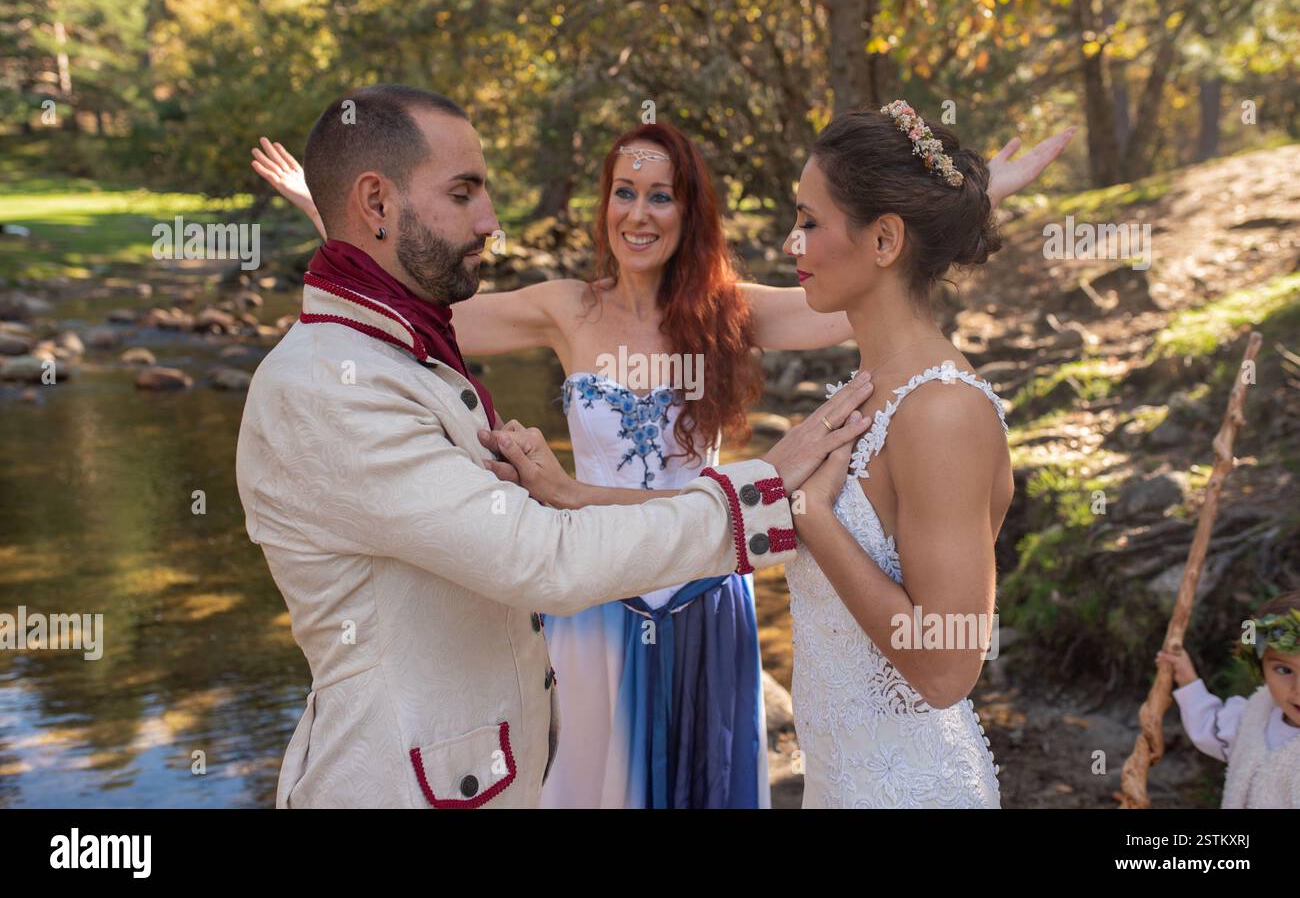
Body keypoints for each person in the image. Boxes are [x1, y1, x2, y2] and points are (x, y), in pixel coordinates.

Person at [251, 115, 1070, 808]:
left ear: (689, 210)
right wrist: (336, 215)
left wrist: (971, 194)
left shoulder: (728, 312)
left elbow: (879, 277)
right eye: (624, 191)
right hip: (598, 585)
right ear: (605, 202)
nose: (639, 213)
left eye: (661, 194)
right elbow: (408, 304)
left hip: (714, 592)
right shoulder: (562, 309)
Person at [495, 100, 1076, 808]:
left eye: (808, 222)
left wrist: (815, 519)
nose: (792, 244)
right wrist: (576, 496)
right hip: (836, 782)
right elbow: (740, 520)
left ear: (885, 239)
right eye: (623, 192)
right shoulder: (856, 399)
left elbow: (948, 667)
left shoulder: (943, 411)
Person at [1157, 591, 1300, 808]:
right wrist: (1187, 679)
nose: (1298, 689)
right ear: (1260, 666)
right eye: (1283, 669)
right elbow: (1212, 728)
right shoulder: (1256, 716)